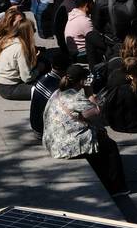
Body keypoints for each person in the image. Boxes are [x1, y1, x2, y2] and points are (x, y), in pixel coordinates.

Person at [41, 65, 128, 196]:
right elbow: (97, 113)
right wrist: (89, 92)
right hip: (64, 146)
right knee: (110, 146)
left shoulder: (57, 92)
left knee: (98, 137)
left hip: (51, 140)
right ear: (81, 81)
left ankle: (105, 177)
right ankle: (117, 188)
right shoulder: (76, 98)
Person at [0, 17, 43, 101]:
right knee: (46, 91)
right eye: (33, 30)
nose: (35, 32)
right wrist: (39, 68)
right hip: (10, 88)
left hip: (1, 84)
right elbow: (27, 77)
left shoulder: (12, 41)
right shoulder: (20, 49)